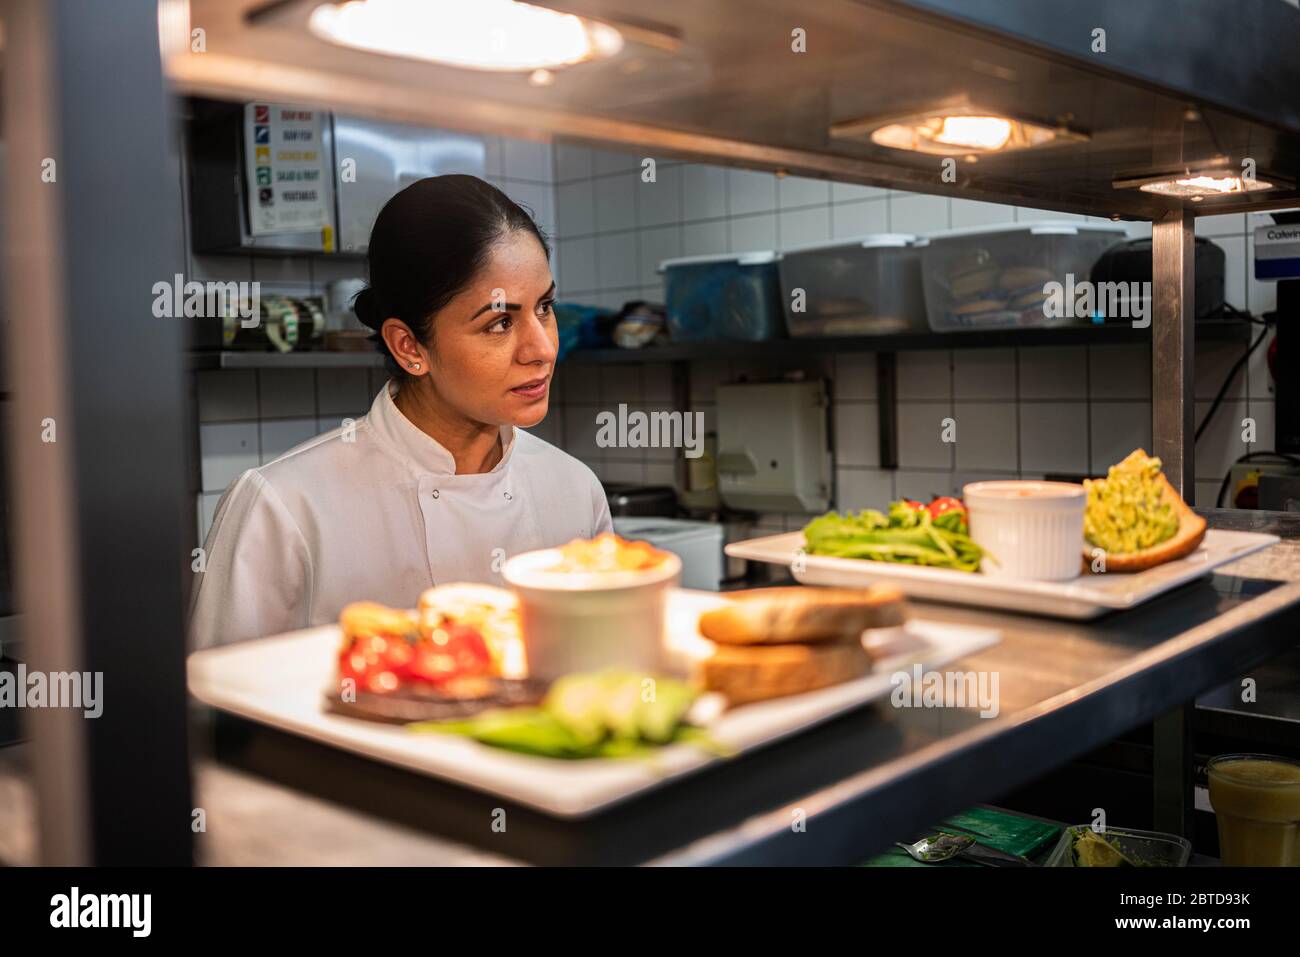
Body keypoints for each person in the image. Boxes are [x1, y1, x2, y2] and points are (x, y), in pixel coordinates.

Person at [189, 175, 611, 647]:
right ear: (409, 345)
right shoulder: (283, 507)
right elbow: (217, 707)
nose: (542, 349)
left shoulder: (574, 490)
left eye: (546, 307)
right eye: (500, 323)